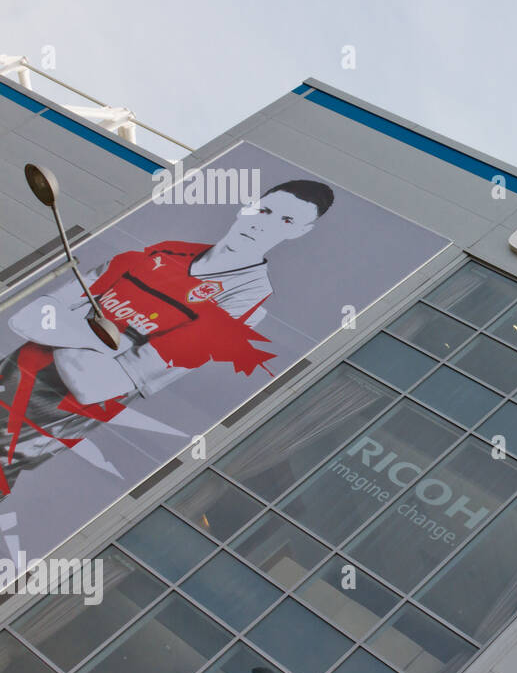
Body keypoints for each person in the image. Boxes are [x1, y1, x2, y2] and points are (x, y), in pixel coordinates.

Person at [0, 179, 334, 499]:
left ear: (299, 232)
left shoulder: (247, 303)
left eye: (286, 220)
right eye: (265, 211)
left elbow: (100, 385)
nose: (265, 225)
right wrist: (104, 342)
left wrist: (71, 326)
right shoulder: (162, 252)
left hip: (26, 434)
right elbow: (30, 316)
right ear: (248, 207)